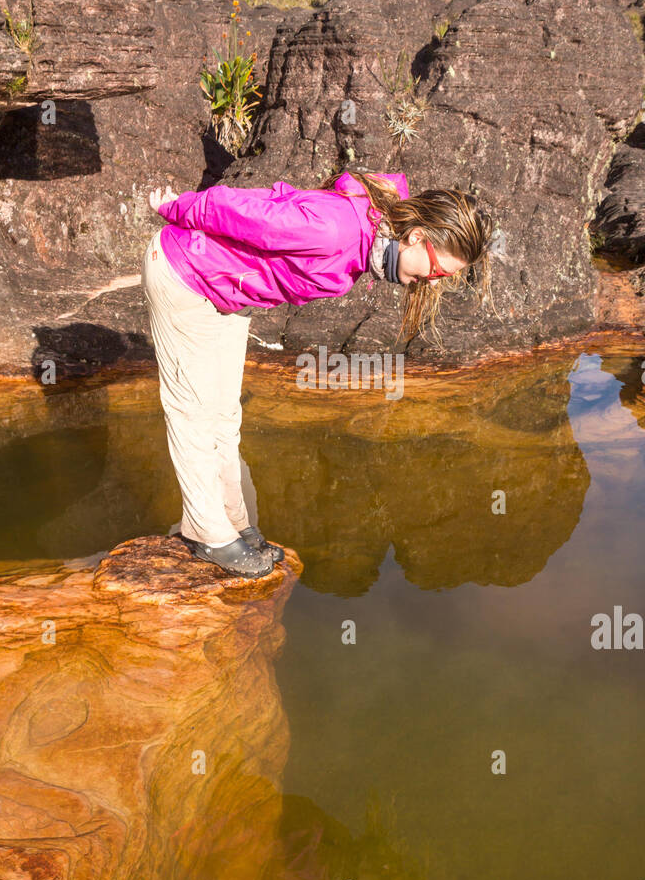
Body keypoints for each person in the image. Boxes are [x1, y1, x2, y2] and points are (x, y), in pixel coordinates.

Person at [142, 168, 492, 579]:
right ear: (416, 237)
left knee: (223, 415)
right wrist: (175, 207)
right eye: (436, 270)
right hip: (186, 276)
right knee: (193, 413)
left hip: (230, 293)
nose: (433, 282)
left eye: (444, 278)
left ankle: (233, 522)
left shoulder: (370, 238)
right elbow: (234, 209)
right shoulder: (334, 230)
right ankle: (208, 534)